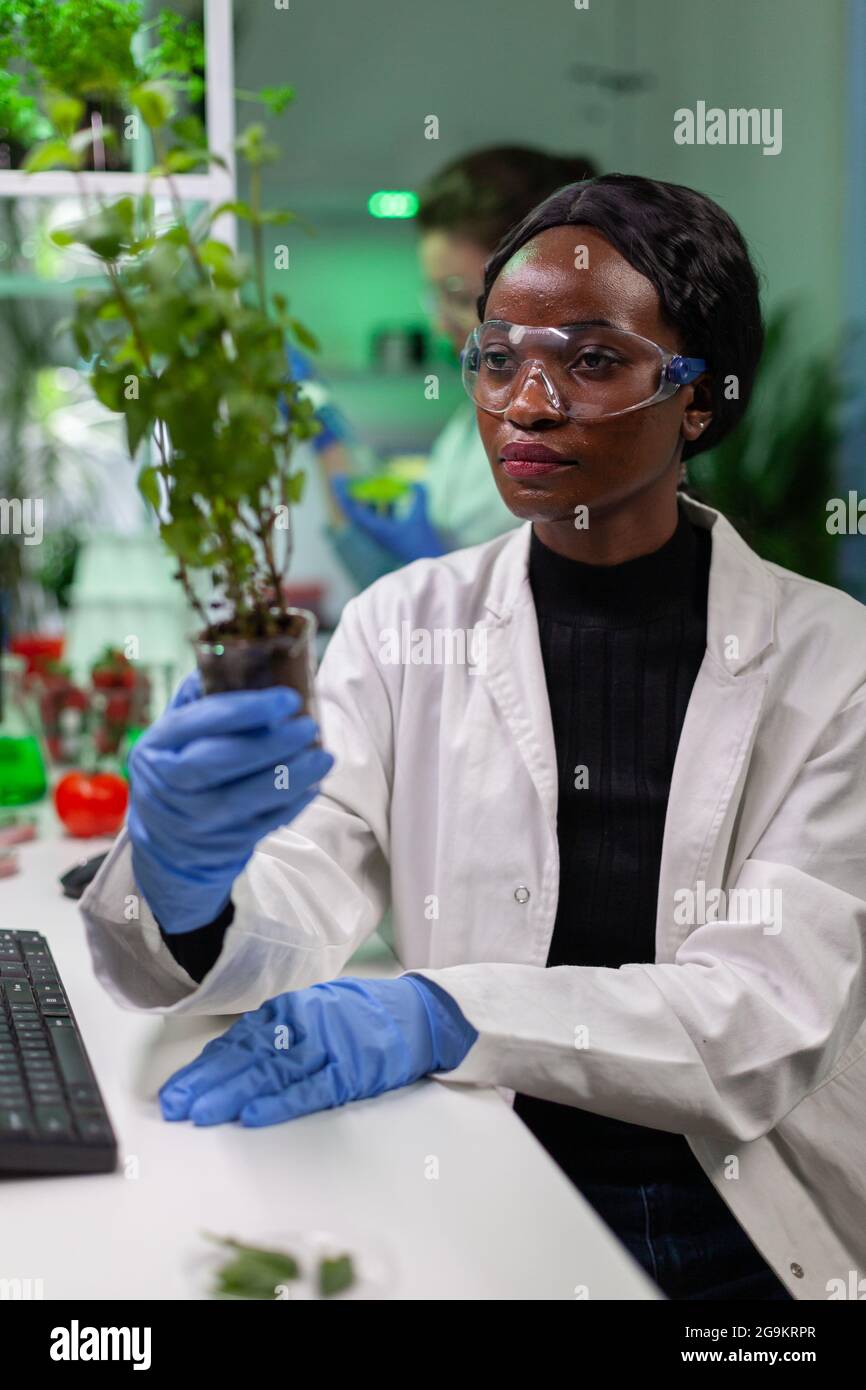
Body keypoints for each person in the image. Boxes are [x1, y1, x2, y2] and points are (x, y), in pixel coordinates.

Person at [81, 174, 866, 1302]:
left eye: (591, 361)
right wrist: (188, 881)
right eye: (497, 358)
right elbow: (308, 880)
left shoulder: (832, 660)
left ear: (696, 399)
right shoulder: (405, 624)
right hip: (478, 1160)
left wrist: (443, 1010)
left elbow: (765, 1015)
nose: (527, 403)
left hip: (733, 1216)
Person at [324, 146, 598, 586]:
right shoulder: (472, 417)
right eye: (434, 295)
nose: (437, 322)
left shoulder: (575, 437)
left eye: (454, 295)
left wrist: (435, 568)